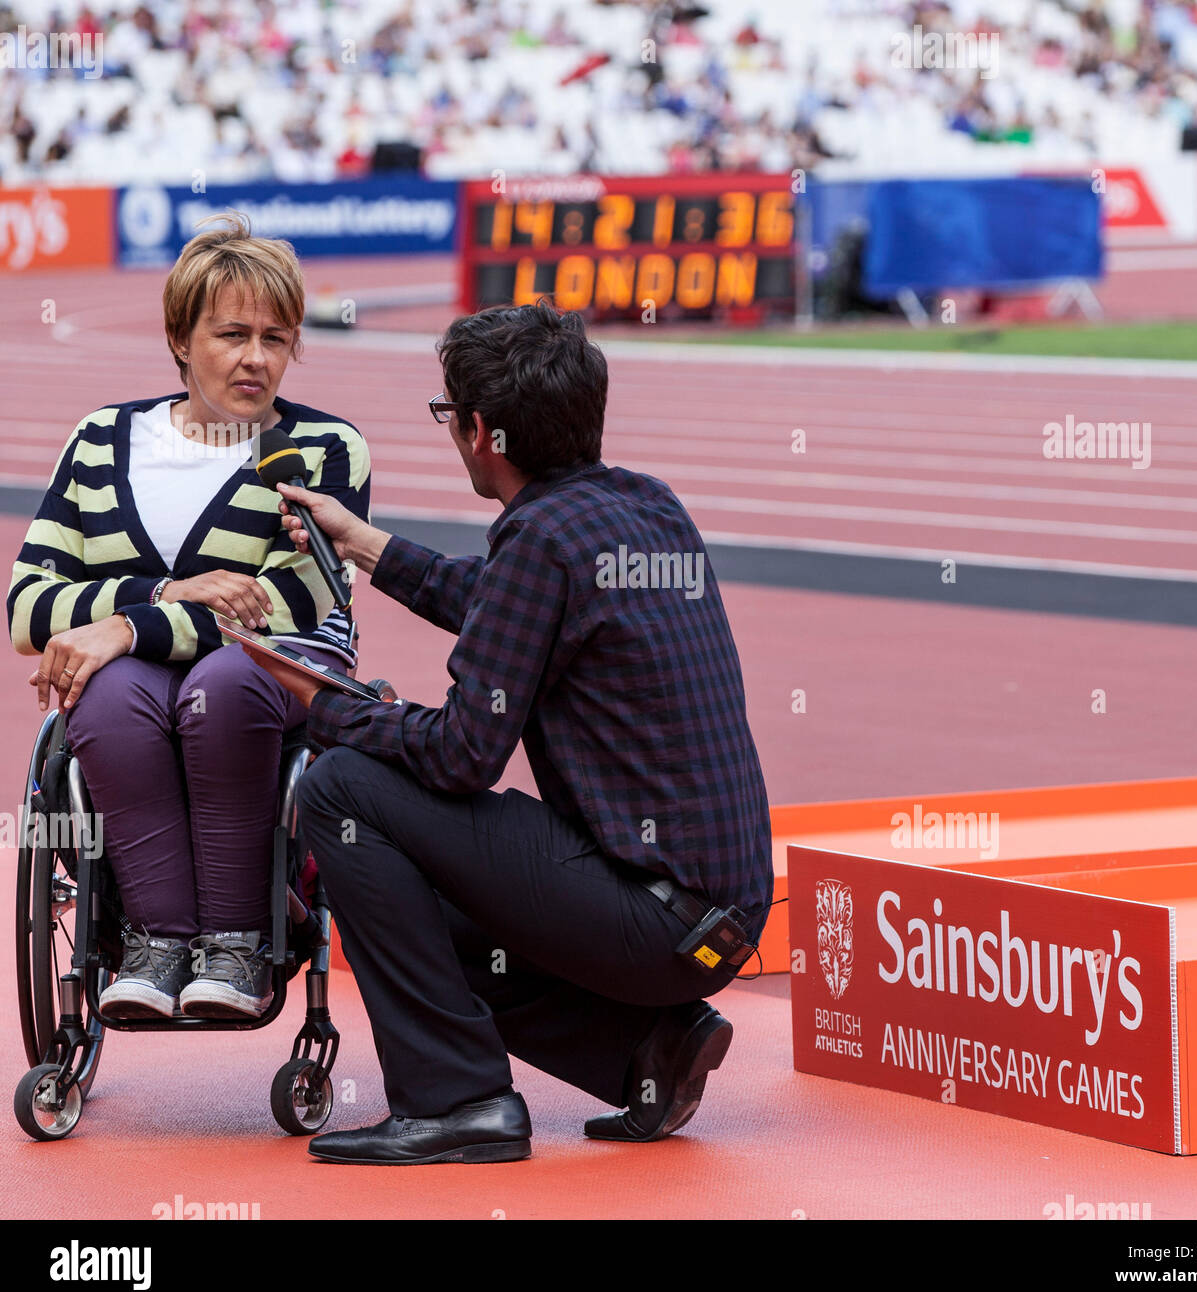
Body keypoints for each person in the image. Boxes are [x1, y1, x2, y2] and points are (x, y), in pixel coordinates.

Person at [250, 299, 772, 1165]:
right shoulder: (644, 507)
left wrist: (329, 704)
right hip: (716, 917)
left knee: (341, 787)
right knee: (419, 896)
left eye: (450, 416)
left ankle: (457, 1103)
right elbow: (507, 607)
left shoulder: (538, 539)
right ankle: (646, 1053)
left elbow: (462, 756)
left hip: (651, 919)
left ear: (483, 431)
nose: (451, 431)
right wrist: (364, 545)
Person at [7, 212, 371, 1022]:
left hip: (275, 672)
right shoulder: (101, 439)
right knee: (110, 696)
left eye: (277, 338)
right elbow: (28, 607)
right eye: (232, 333)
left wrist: (123, 626)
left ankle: (240, 943)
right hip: (136, 679)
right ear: (180, 337)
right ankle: (155, 945)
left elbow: (297, 603)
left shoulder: (323, 448)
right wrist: (163, 599)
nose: (256, 357)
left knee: (225, 683)